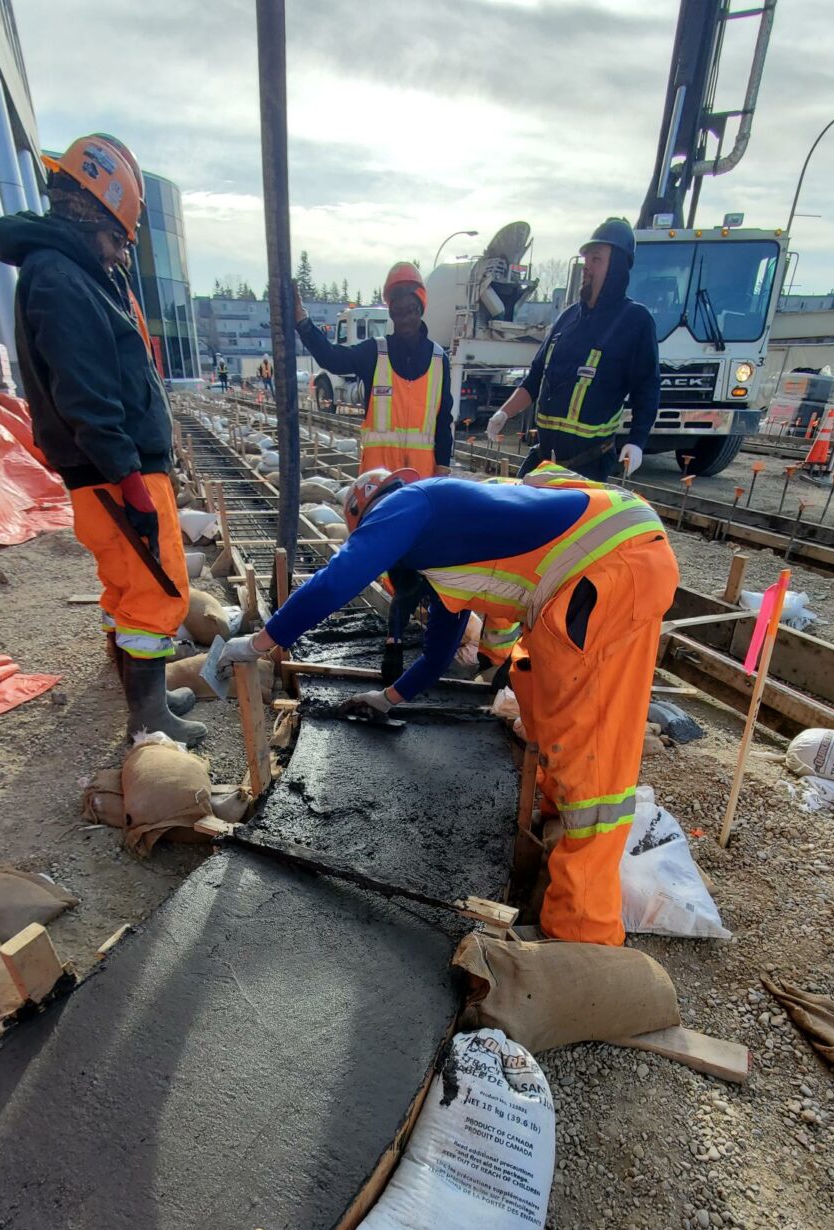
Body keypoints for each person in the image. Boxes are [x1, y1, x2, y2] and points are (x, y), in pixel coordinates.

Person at [217, 465, 678, 945]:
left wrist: (260, 643)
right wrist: (387, 698)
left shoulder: (409, 503)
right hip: (595, 568)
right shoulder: (449, 540)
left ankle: (582, 935)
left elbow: (338, 580)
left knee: (593, 759)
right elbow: (437, 656)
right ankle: (553, 809)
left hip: (613, 569)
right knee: (539, 693)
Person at [0, 133, 205, 746]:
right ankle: (150, 718)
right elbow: (86, 394)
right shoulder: (60, 278)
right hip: (116, 468)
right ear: (89, 214)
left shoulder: (75, 271)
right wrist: (131, 480)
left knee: (124, 583)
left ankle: (149, 698)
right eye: (117, 239)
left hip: (114, 466)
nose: (119, 255)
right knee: (156, 588)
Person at [487, 218, 659, 483]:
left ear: (617, 268)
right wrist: (504, 412)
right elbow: (535, 378)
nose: (586, 267)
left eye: (596, 260)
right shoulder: (567, 319)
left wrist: (637, 441)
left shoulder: (634, 322)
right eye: (586, 259)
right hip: (543, 461)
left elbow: (647, 390)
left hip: (588, 469)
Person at [294, 264, 453, 476]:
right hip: (378, 482)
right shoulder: (375, 353)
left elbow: (443, 420)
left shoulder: (438, 359)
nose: (405, 318)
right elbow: (332, 358)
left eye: (410, 310)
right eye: (398, 312)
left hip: (420, 484)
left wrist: (442, 468)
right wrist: (302, 322)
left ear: (420, 309)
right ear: (391, 314)